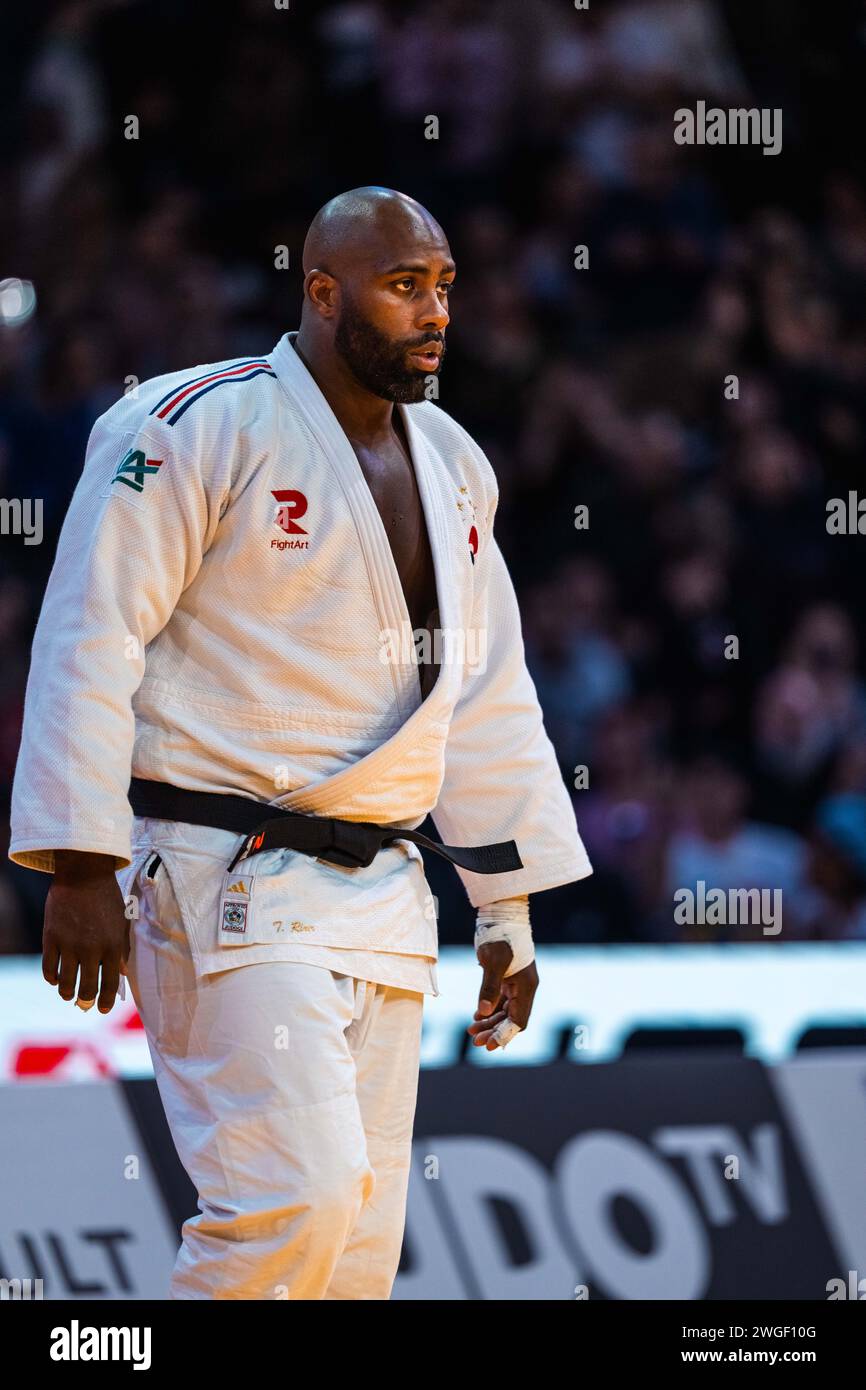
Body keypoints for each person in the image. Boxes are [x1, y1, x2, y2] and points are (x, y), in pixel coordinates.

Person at [9, 186, 592, 1299]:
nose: (434, 313)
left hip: (383, 894)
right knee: (294, 1204)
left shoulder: (456, 463)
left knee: (356, 1251)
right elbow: (92, 631)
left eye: (444, 288)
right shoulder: (192, 425)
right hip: (222, 874)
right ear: (322, 293)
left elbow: (482, 691)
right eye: (403, 286)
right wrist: (77, 860)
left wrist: (506, 907)